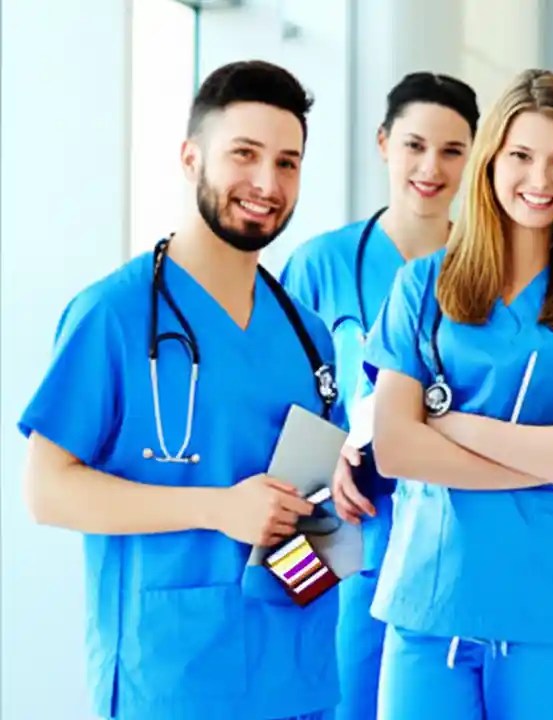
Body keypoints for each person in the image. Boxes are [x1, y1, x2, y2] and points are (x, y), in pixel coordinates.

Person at [19, 60, 342, 719]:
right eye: (244, 155)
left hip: (297, 669)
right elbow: (46, 491)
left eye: (288, 163)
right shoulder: (115, 315)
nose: (266, 183)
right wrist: (217, 508)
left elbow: (303, 501)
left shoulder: (308, 337)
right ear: (191, 159)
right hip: (171, 675)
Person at [362, 68, 553, 719]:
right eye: (522, 156)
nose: (541, 180)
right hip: (432, 603)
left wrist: (450, 426)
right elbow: (393, 447)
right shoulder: (423, 287)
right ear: (491, 159)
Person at [280, 70, 480, 720]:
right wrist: (327, 462)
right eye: (415, 145)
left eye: (452, 150)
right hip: (343, 539)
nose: (431, 166)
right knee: (334, 697)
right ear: (383, 143)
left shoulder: (489, 277)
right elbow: (285, 413)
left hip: (458, 542)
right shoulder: (321, 266)